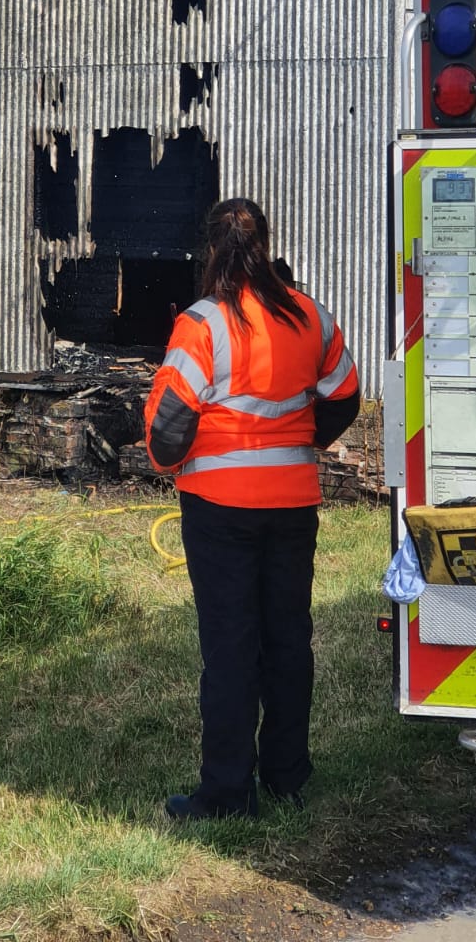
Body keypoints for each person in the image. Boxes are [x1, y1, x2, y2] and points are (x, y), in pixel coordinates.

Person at [144, 197, 360, 821]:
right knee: (289, 641)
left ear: (211, 249)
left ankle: (226, 793)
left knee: (232, 649)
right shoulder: (309, 316)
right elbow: (344, 395)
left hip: (220, 510)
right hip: (294, 505)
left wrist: (174, 465)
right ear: (264, 244)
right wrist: (302, 443)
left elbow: (168, 424)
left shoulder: (203, 323)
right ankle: (288, 778)